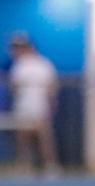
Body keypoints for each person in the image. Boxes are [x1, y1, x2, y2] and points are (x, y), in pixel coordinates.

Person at [6, 33, 61, 177]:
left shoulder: (42, 63)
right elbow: (14, 87)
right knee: (23, 138)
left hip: (39, 105)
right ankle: (25, 166)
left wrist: (51, 102)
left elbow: (52, 85)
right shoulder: (19, 65)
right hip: (24, 105)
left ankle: (50, 166)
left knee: (43, 137)